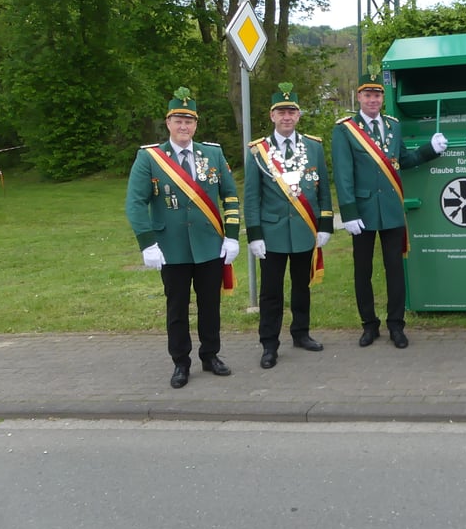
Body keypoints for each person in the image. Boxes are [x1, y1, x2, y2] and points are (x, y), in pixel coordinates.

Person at [125, 87, 240, 389]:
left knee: (210, 305)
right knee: (176, 307)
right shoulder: (150, 158)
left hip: (209, 245)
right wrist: (147, 242)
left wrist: (231, 236)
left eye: (189, 121)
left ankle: (210, 354)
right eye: (178, 120)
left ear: (196, 125)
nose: (183, 126)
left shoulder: (212, 153)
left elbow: (229, 195)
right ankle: (180, 362)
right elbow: (135, 203)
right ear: (168, 123)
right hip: (171, 248)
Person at [331, 72, 449, 348]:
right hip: (362, 212)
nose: (373, 100)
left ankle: (396, 325)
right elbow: (343, 174)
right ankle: (369, 325)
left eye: (378, 95)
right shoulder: (345, 129)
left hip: (392, 209)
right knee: (363, 271)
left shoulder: (393, 126)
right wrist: (348, 212)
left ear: (383, 98)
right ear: (359, 97)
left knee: (395, 269)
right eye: (368, 95)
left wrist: (430, 149)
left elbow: (404, 160)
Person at [244, 83, 334, 370]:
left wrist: (325, 224)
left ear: (298, 116)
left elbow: (323, 191)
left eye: (291, 112)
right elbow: (252, 196)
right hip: (271, 234)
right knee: (270, 292)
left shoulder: (313, 146)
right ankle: (269, 344)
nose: (286, 117)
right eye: (281, 112)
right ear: (272, 116)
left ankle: (301, 333)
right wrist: (255, 234)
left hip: (304, 230)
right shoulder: (259, 151)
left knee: (301, 287)